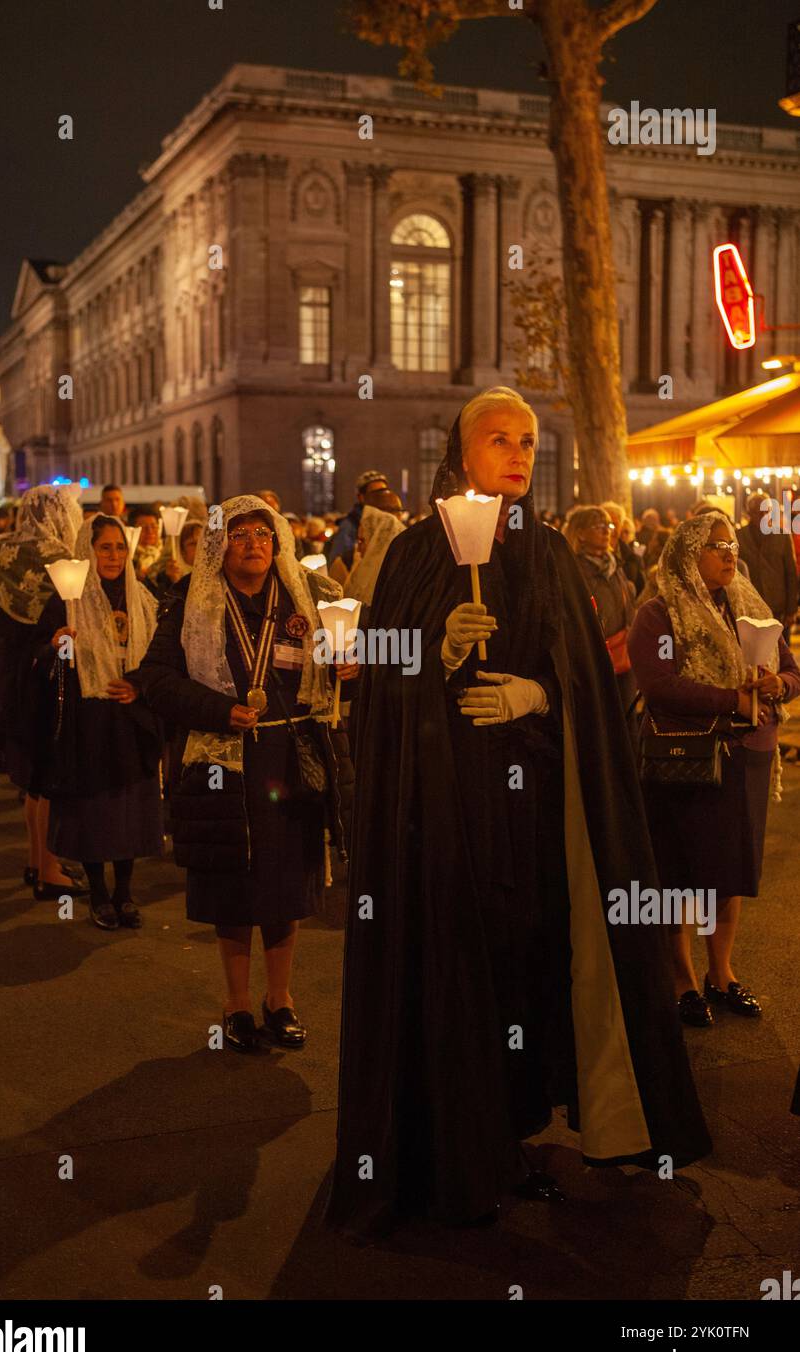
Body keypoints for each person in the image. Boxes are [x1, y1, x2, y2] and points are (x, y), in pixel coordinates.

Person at [325, 386, 710, 1239]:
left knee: (531, 968)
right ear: (463, 455)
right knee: (458, 970)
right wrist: (435, 650)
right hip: (444, 813)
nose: (517, 454)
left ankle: (523, 1131)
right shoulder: (414, 554)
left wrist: (538, 692)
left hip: (535, 814)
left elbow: (586, 682)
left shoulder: (548, 556)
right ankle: (459, 1147)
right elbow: (377, 683)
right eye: (498, 439)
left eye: (529, 442)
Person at [137, 497, 356, 1053]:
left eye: (263, 533)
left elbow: (348, 657)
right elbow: (156, 679)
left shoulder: (307, 595)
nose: (254, 543)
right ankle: (236, 1006)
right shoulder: (191, 600)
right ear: (218, 543)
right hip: (223, 762)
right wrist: (217, 709)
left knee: (288, 884)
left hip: (292, 756)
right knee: (231, 883)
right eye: (239, 535)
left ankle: (279, 999)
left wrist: (349, 663)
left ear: (278, 540)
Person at [628, 513, 800, 1027]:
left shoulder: (751, 608)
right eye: (715, 546)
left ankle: (720, 973)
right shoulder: (658, 614)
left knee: (729, 873)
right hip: (689, 758)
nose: (730, 554)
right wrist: (733, 699)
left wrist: (778, 688)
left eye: (731, 544)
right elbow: (658, 683)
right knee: (681, 874)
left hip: (748, 754)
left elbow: (791, 669)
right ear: (686, 555)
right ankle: (681, 979)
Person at [32, 513, 163, 929]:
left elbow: (163, 658)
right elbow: (36, 661)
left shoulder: (142, 597)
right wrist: (58, 647)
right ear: (87, 551)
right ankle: (98, 891)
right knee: (94, 809)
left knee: (128, 807)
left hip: (132, 718)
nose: (113, 555)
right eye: (104, 547)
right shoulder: (65, 599)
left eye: (120, 547)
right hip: (88, 719)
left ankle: (124, 890)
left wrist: (138, 685)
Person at [0, 484, 87, 898]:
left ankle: (35, 859)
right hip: (47, 682)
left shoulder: (2, 556)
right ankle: (49, 869)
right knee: (49, 779)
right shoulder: (60, 561)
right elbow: (67, 625)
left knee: (32, 782)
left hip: (10, 677)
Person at [563, 504, 638, 733]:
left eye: (609, 525)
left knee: (626, 720)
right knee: (599, 723)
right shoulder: (573, 569)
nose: (608, 531)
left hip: (623, 656)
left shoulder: (615, 565)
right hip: (593, 656)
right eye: (599, 526)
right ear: (581, 533)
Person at [737, 492, 798, 637]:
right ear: (749, 513)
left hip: (777, 607)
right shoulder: (739, 536)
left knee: (781, 654)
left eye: (766, 511)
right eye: (758, 512)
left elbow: (790, 573)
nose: (763, 516)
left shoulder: (782, 536)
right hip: (750, 607)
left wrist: (792, 609)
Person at [327, 470, 389, 575]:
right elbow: (338, 565)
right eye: (375, 494)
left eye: (384, 492)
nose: (382, 497)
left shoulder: (388, 522)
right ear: (361, 497)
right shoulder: (349, 526)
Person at [343, 504, 405, 607]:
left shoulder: (395, 581)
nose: (358, 549)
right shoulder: (361, 572)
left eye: (362, 541)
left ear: (376, 542)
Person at [603, 500, 644, 596]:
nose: (609, 530)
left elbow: (641, 588)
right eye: (606, 524)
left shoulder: (632, 557)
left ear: (621, 525)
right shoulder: (591, 556)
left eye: (614, 524)